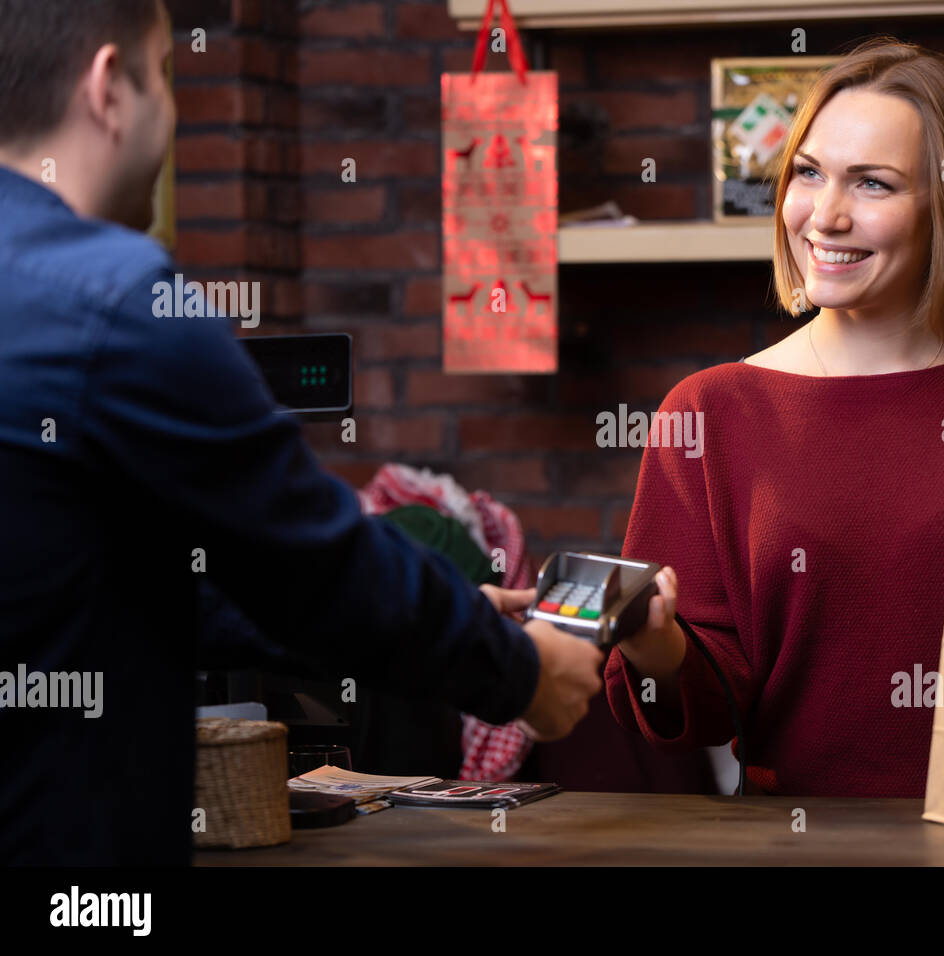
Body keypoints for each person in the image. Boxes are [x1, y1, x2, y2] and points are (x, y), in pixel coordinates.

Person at [0, 0, 603, 865]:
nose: (170, 109)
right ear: (108, 89)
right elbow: (314, 562)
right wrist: (522, 673)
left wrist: (460, 608)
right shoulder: (119, 300)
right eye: (165, 72)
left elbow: (137, 581)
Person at [606, 37, 944, 797]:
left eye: (872, 184)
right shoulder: (705, 413)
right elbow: (694, 712)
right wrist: (655, 643)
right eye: (807, 173)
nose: (824, 217)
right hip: (797, 842)